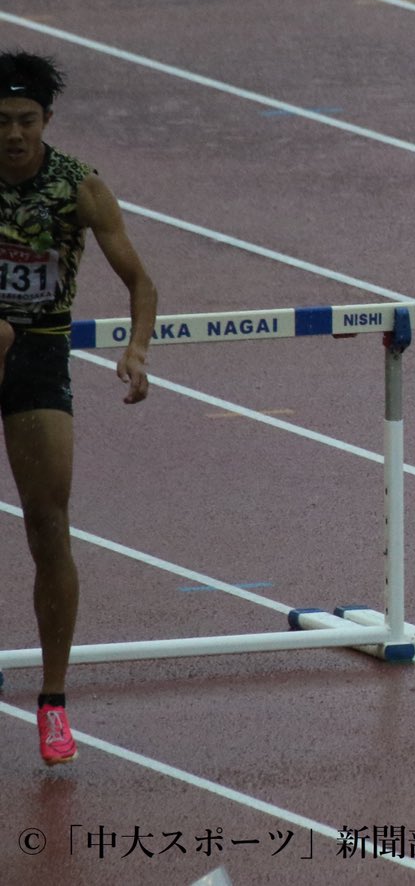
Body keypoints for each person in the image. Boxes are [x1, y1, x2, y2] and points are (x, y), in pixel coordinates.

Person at [1, 52, 156, 765]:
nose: (13, 134)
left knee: (48, 522)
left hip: (38, 355)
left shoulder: (77, 187)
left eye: (26, 120)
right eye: (2, 122)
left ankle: (54, 702)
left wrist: (136, 350)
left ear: (46, 121)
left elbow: (141, 282)